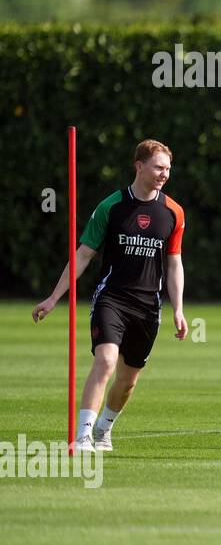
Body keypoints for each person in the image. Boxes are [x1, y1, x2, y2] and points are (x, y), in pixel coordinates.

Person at [32, 139, 188, 453]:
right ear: (139, 165)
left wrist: (179, 309)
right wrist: (53, 297)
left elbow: (174, 263)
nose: (164, 174)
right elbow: (84, 255)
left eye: (168, 169)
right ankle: (84, 435)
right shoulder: (111, 206)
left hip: (148, 306)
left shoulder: (173, 212)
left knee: (128, 380)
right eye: (158, 167)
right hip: (112, 299)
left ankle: (105, 428)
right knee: (105, 361)